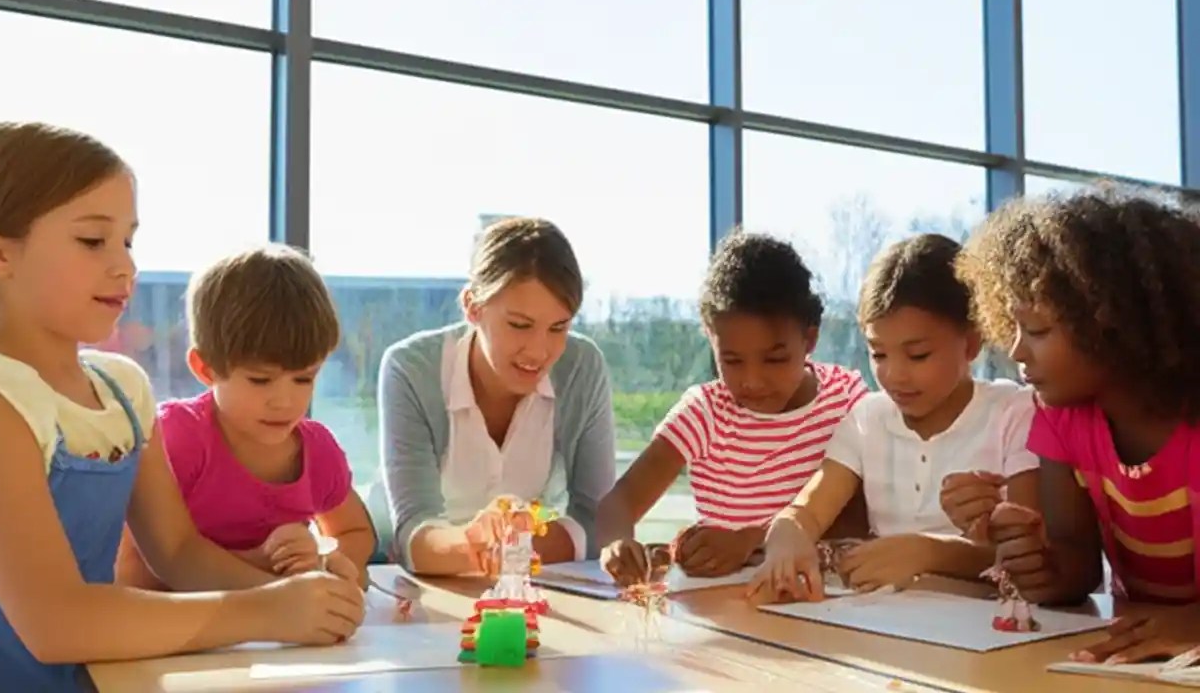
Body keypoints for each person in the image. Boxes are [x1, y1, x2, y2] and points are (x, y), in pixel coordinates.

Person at [0, 123, 362, 692]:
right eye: (92, 241)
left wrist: (301, 595)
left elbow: (178, 552)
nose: (124, 266)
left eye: (128, 240)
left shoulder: (122, 389)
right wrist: (265, 612)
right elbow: (56, 622)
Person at [954, 185, 1200, 664]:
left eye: (1039, 331)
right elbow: (1077, 568)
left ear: (1114, 323)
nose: (1017, 350)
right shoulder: (1058, 417)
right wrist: (1034, 559)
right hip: (1143, 656)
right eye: (1015, 327)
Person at [747, 234, 1039, 603]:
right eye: (878, 354)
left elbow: (1031, 556)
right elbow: (807, 510)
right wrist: (788, 534)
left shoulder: (1015, 412)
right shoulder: (867, 418)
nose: (894, 376)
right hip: (886, 626)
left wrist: (930, 552)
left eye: (917, 355)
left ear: (971, 343)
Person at [598, 232, 868, 586]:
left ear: (810, 340)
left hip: (828, 596)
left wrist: (750, 540)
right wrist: (617, 544)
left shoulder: (845, 399)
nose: (752, 381)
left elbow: (861, 516)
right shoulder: (705, 412)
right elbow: (618, 503)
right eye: (732, 360)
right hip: (726, 601)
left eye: (775, 359)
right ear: (710, 338)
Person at [115, 245, 375, 590]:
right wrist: (262, 569)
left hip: (279, 635)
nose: (284, 401)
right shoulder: (177, 440)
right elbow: (130, 572)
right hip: (183, 636)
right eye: (260, 380)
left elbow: (354, 532)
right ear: (205, 369)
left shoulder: (317, 452)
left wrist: (326, 561)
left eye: (304, 379)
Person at [379, 217, 615, 575]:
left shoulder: (582, 367)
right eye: (519, 325)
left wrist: (512, 547)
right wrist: (478, 544)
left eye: (558, 328)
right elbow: (414, 530)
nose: (538, 351)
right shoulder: (410, 369)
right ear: (473, 307)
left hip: (521, 578)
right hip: (404, 575)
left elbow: (599, 520)